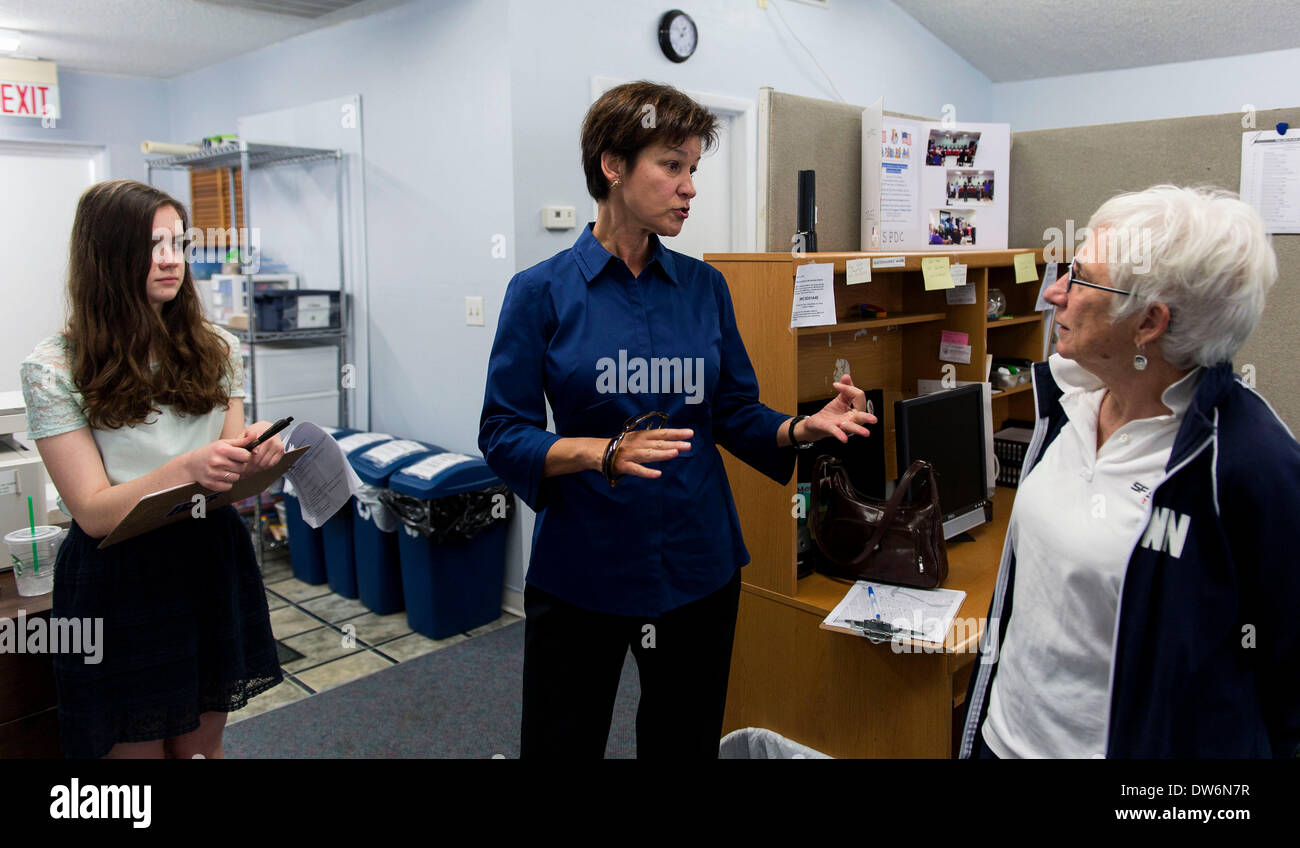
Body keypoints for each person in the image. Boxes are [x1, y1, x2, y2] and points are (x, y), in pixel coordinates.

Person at [479, 81, 876, 759]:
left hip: (697, 564)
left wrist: (802, 429)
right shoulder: (539, 293)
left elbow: (734, 412)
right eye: (672, 165)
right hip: (585, 567)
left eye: (694, 168)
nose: (690, 186)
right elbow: (503, 431)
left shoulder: (704, 287)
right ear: (612, 164)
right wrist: (597, 452)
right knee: (560, 742)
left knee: (683, 743)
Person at [960, 185, 1300, 758]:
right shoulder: (1068, 399)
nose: (1053, 293)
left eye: (1081, 278)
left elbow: (1285, 686)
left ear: (1148, 323)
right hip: (1003, 740)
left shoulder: (1250, 463)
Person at [20, 179, 286, 758]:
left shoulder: (214, 345)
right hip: (121, 576)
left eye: (178, 242)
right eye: (151, 245)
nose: (171, 259)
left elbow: (227, 465)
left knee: (198, 751)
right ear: (105, 256)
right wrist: (184, 468)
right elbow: (91, 513)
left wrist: (256, 450)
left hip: (208, 557)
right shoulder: (54, 366)